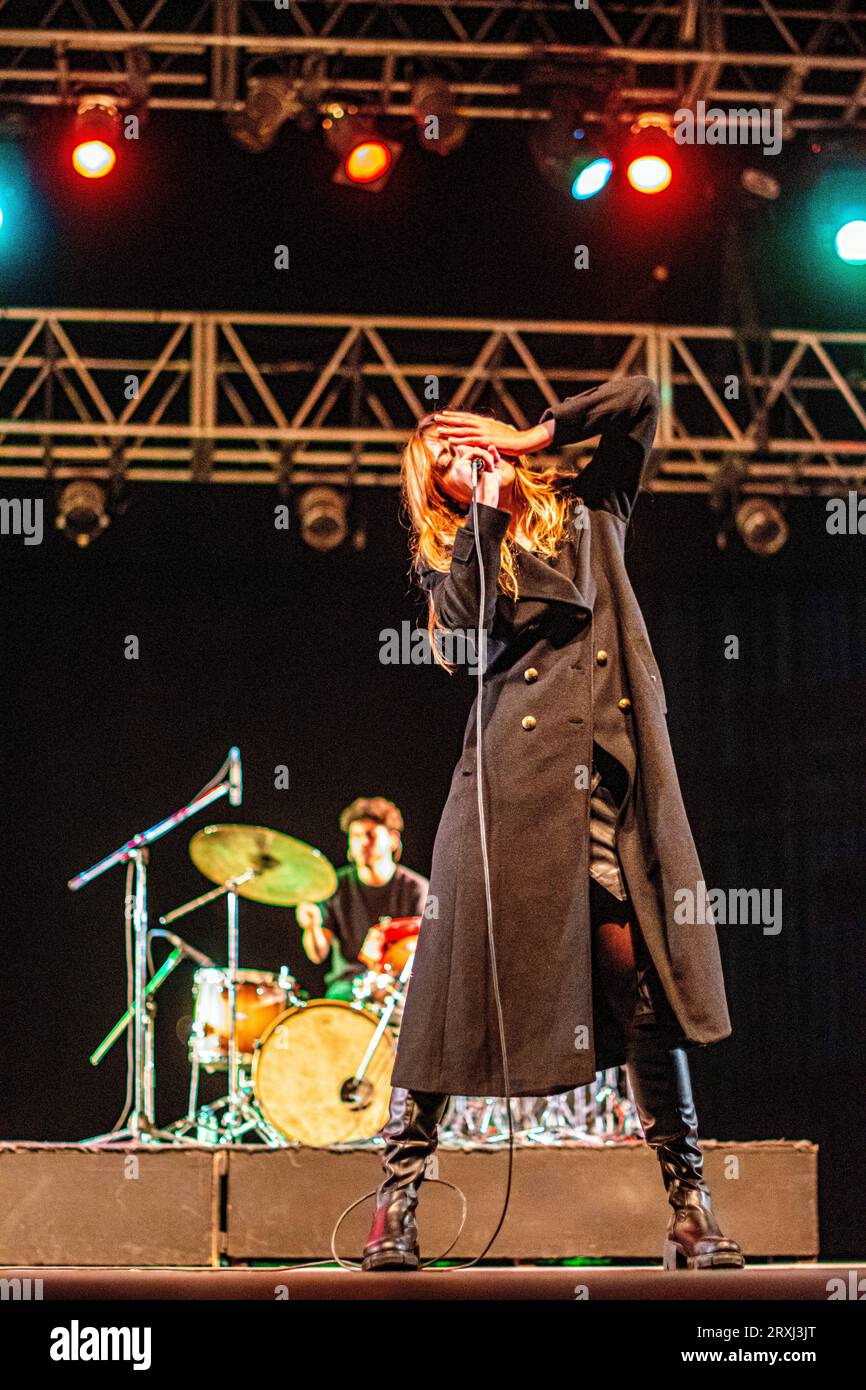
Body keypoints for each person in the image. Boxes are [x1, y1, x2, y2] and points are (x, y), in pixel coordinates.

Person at [361, 377, 744, 1273]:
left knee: (640, 990)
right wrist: (485, 514)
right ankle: (396, 1207)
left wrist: (532, 436)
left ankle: (690, 1209)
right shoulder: (455, 559)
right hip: (504, 793)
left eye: (471, 444)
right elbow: (468, 620)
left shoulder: (590, 509)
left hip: (603, 794)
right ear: (437, 491)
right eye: (447, 460)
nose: (469, 458)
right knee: (444, 996)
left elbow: (642, 399)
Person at [296, 797, 428, 1001]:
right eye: (356, 836)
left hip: (399, 991)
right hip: (346, 989)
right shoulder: (333, 886)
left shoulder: (417, 890)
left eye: (371, 835)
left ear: (393, 839)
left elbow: (428, 951)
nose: (363, 843)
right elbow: (317, 955)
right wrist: (312, 927)